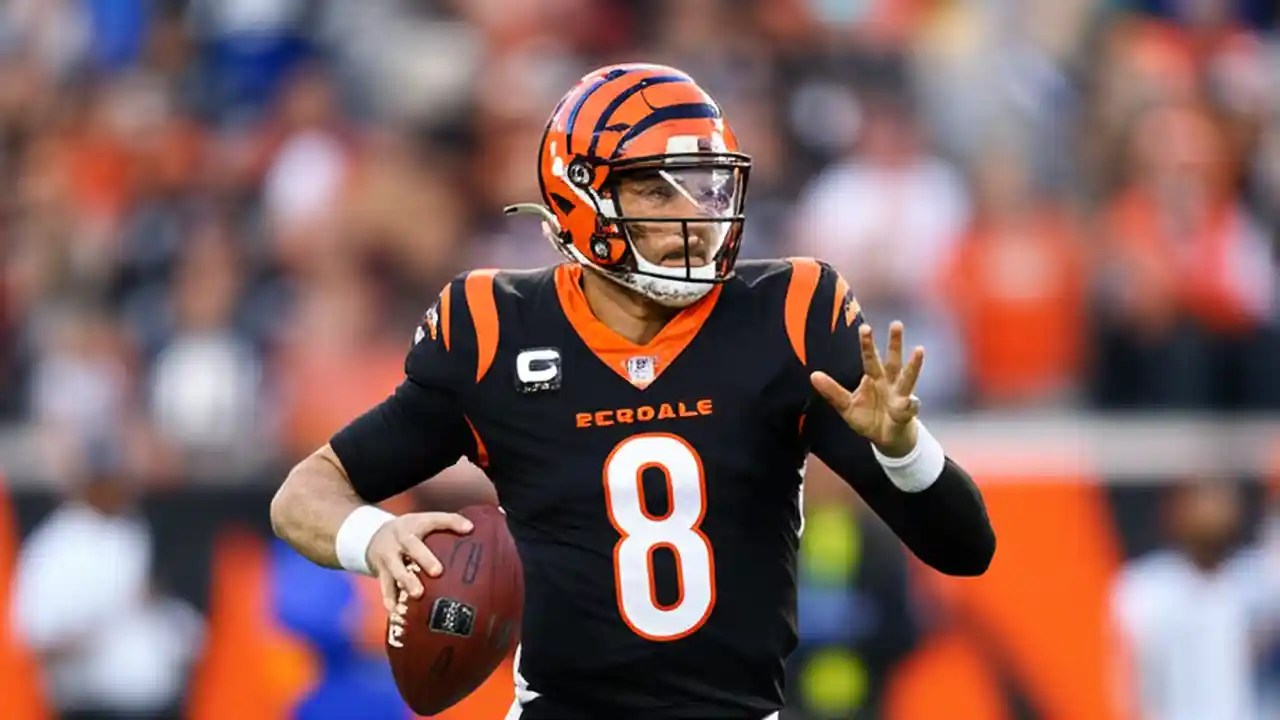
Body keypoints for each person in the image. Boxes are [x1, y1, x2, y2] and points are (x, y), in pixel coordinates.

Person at [270, 63, 996, 720]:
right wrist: (375, 538)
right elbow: (304, 494)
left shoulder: (789, 316)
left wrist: (904, 451)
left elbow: (966, 548)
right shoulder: (496, 329)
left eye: (706, 184)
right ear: (579, 194)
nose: (695, 215)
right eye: (656, 187)